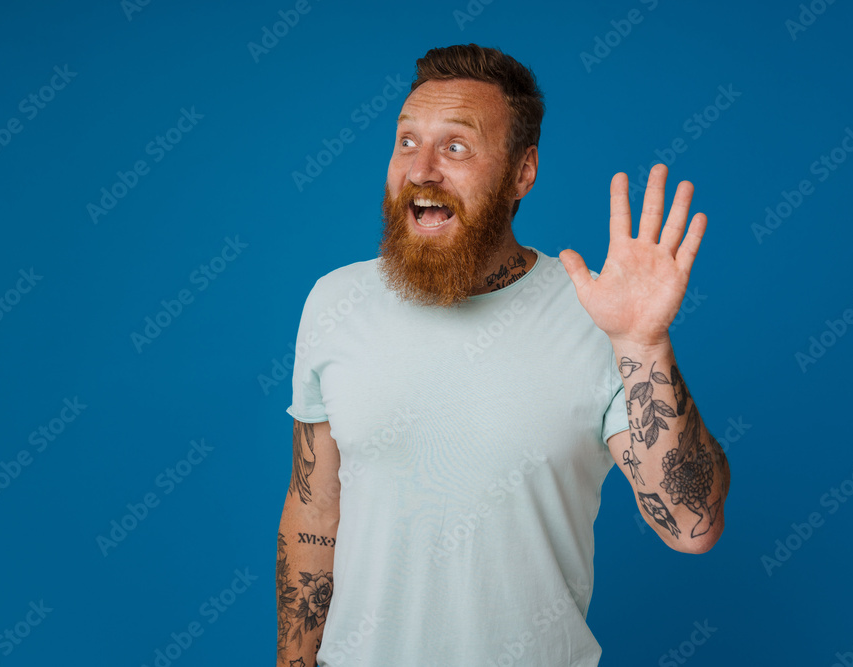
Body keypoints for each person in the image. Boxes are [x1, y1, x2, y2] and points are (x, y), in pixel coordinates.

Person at [276, 43, 730, 666]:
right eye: (407, 141)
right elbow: (314, 509)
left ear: (523, 172)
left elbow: (691, 524)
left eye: (455, 146)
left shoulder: (595, 318)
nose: (421, 169)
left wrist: (642, 344)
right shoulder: (335, 301)